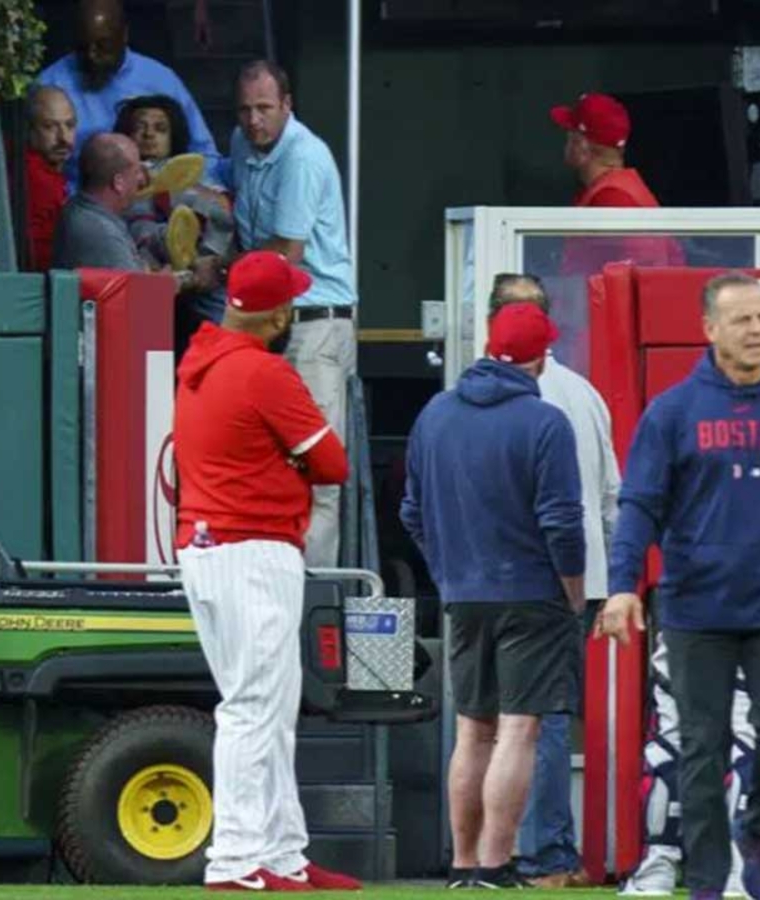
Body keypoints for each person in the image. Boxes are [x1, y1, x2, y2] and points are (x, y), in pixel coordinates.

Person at [598, 271, 760, 900]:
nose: (759, 329)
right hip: (694, 607)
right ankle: (709, 883)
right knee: (701, 749)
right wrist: (623, 584)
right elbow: (639, 504)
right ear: (709, 329)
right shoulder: (676, 411)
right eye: (743, 319)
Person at [173, 249, 359, 892]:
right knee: (255, 707)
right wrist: (294, 467)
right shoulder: (261, 372)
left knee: (269, 707)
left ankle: (281, 854)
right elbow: (334, 463)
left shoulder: (201, 360)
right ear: (279, 315)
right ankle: (235, 860)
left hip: (210, 546)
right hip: (251, 548)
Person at [401, 301, 586, 890]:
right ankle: (496, 863)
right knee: (518, 729)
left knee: (473, 729)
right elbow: (562, 520)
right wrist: (574, 591)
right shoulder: (546, 423)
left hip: (464, 593)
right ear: (540, 359)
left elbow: (412, 511)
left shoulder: (435, 414)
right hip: (532, 592)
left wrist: (447, 572)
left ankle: (462, 864)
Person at [482, 275, 616, 889]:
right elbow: (611, 499)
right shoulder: (582, 393)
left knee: (511, 722)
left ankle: (538, 856)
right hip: (575, 579)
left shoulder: (484, 400)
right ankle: (538, 854)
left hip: (517, 579)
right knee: (545, 720)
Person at [230, 59, 357, 570]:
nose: (253, 120)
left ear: (287, 105)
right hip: (272, 325)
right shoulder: (241, 145)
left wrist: (221, 271)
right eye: (244, 110)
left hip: (314, 324)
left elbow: (287, 252)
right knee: (268, 464)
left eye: (264, 108)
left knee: (317, 469)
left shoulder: (303, 156)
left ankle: (312, 598)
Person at [548, 91, 685, 371]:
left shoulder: (615, 197)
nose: (566, 143)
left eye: (570, 136)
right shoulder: (613, 189)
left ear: (582, 147)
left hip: (608, 342)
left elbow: (648, 279)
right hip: (599, 333)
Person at [38, 0, 222, 191]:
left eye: (103, 46)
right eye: (83, 48)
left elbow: (204, 154)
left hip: (157, 199)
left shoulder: (160, 80)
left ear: (124, 35)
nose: (92, 55)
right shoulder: (49, 85)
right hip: (78, 204)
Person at [114, 94, 233, 346]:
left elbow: (222, 216)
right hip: (142, 298)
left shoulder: (194, 182)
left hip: (198, 300)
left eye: (160, 128)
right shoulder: (116, 184)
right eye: (140, 127)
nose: (149, 135)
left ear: (173, 136)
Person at [51, 133, 151, 271]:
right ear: (118, 183)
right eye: (136, 171)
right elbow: (138, 291)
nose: (142, 179)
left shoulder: (80, 208)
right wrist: (170, 282)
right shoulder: (101, 233)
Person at [21, 85, 77, 272]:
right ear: (28, 129)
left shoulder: (51, 173)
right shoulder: (36, 178)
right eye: (49, 126)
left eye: (69, 125)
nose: (63, 138)